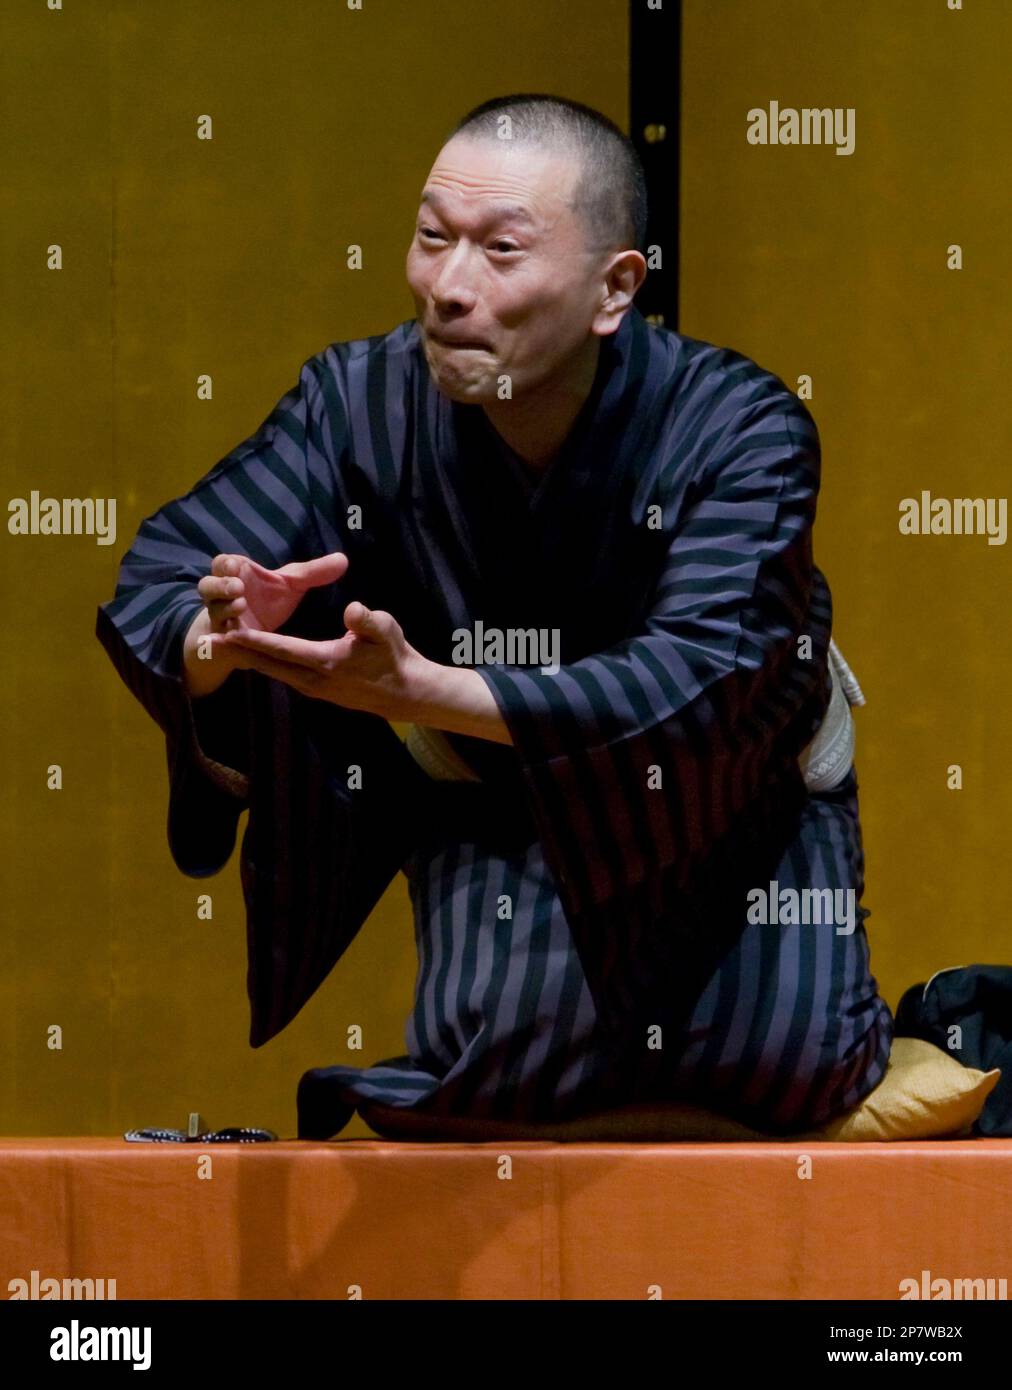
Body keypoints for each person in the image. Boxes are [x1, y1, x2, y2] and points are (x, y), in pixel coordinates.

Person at [95, 94, 893, 1140]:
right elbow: (160, 579)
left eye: (501, 251)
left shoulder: (740, 423)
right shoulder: (356, 405)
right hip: (493, 813)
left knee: (778, 1069)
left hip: (725, 820)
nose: (450, 290)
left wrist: (430, 691)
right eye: (432, 239)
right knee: (503, 1080)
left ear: (616, 289)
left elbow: (707, 673)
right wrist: (221, 641)